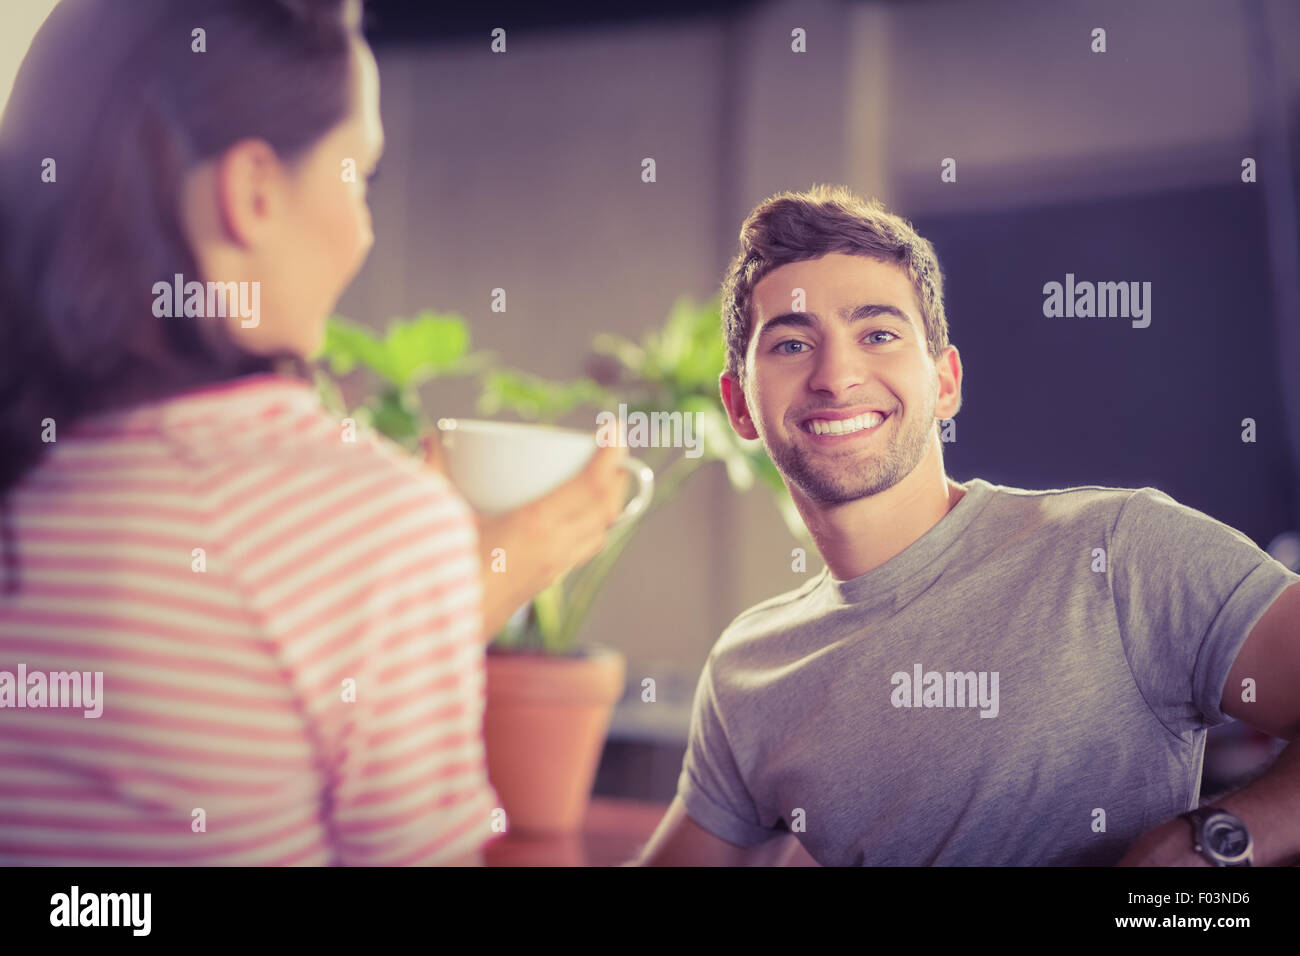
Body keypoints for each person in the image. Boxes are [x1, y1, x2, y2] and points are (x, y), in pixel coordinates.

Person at [0, 0, 627, 865]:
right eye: (358, 177)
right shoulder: (372, 527)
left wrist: (434, 591)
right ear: (252, 192)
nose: (363, 232)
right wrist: (418, 570)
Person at [638, 184, 1300, 866]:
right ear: (738, 405)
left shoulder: (1121, 550)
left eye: (878, 334)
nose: (836, 376)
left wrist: (1213, 846)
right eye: (791, 344)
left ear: (945, 381)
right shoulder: (749, 669)